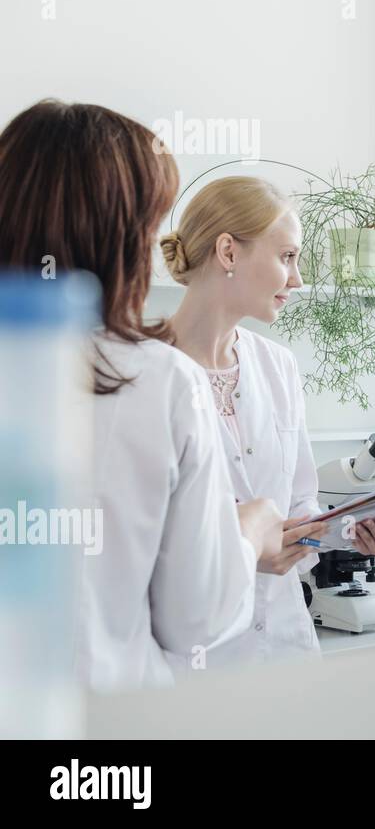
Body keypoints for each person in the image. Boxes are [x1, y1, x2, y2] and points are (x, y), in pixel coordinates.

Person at [0, 100, 284, 691]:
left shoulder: (228, 371)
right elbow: (196, 616)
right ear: (120, 235)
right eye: (148, 226)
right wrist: (250, 530)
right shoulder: (159, 380)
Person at [160, 175, 375, 667]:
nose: (297, 278)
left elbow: (298, 501)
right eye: (287, 257)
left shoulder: (278, 366)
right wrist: (244, 550)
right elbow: (142, 538)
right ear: (228, 252)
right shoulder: (147, 370)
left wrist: (347, 530)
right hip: (190, 656)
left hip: (284, 644)